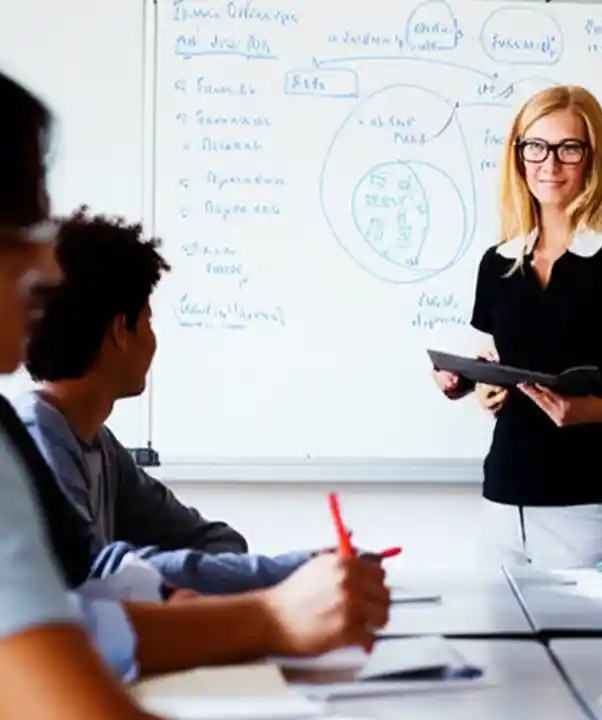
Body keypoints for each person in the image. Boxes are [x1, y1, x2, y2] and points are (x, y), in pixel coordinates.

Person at [0, 70, 388, 717]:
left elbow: (86, 606)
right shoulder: (28, 435)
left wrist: (230, 607)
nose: (46, 269)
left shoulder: (36, 439)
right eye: (28, 231)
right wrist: (271, 608)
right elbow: (86, 613)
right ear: (121, 330)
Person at [431, 85, 602, 568]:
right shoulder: (498, 262)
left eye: (568, 149)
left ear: (593, 158)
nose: (549, 164)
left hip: (596, 508)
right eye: (535, 147)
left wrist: (595, 411)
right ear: (518, 155)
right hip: (504, 503)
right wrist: (472, 384)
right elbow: (508, 368)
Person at [21, 207, 317, 594]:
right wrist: (298, 571)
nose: (153, 340)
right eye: (147, 320)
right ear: (120, 331)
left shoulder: (100, 446)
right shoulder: (35, 439)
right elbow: (94, 571)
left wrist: (201, 573)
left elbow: (214, 540)